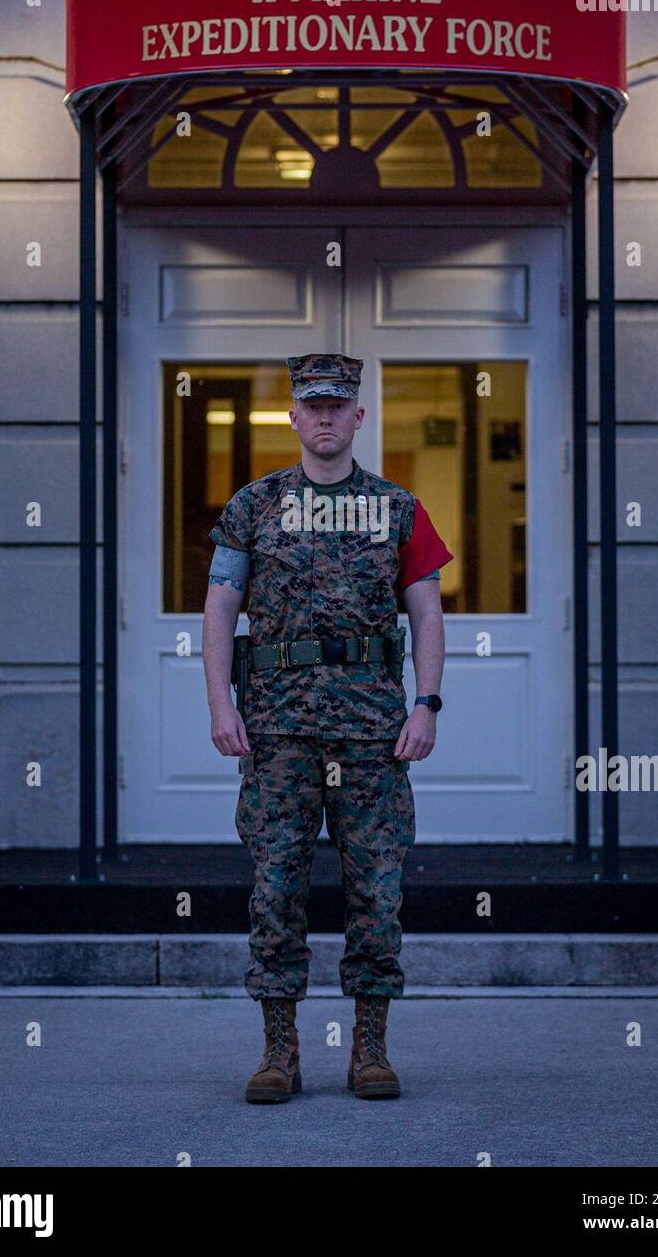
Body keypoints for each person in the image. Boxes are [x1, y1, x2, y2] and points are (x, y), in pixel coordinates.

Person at [202, 353, 453, 1103]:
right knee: (275, 889)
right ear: (292, 416)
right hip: (278, 733)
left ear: (358, 418)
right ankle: (279, 1053)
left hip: (373, 733)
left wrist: (427, 704)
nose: (323, 418)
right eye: (310, 406)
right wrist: (221, 705)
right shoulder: (254, 506)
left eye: (336, 406)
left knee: (375, 890)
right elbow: (220, 609)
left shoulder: (398, 508)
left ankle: (369, 1051)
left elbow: (427, 611)